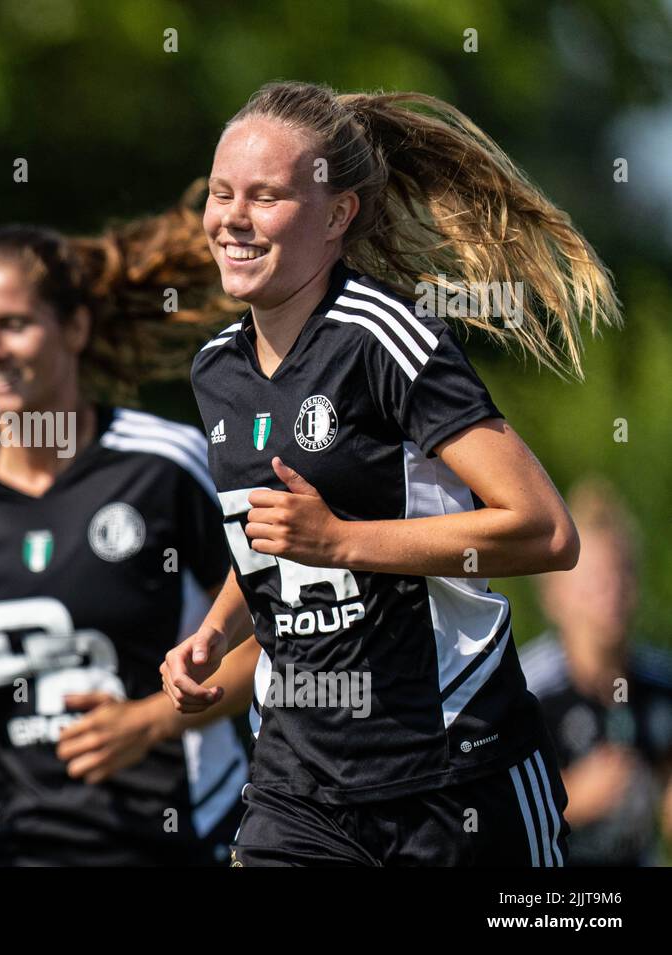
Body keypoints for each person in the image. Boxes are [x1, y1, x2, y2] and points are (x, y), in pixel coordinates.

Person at [163, 81, 622, 866]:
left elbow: (544, 530)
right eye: (221, 193)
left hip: (453, 772)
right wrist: (212, 633)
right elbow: (272, 537)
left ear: (337, 214)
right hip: (297, 784)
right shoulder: (215, 370)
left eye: (266, 197)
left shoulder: (387, 339)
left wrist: (343, 541)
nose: (232, 218)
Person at [0, 207, 261, 866]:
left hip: (183, 842)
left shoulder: (166, 466)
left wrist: (148, 721)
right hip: (15, 848)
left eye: (13, 324)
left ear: (73, 327)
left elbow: (271, 636)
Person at [522, 478, 672, 865]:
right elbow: (485, 815)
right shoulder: (525, 692)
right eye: (595, 580)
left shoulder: (660, 684)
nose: (613, 592)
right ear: (555, 595)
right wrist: (572, 800)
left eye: (622, 575)